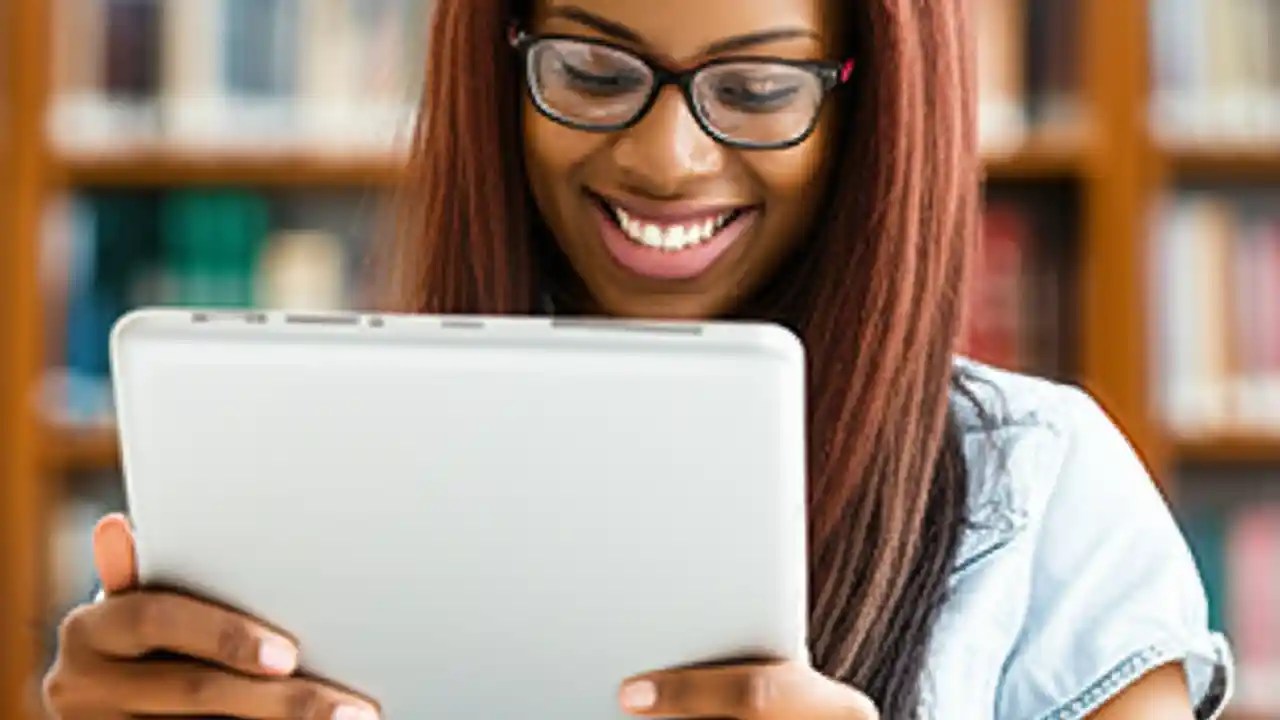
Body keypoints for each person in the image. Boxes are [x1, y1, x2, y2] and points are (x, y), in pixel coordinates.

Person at [42, 1, 1233, 719]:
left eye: (758, 89)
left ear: (874, 108)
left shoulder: (1043, 495)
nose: (665, 159)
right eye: (593, 74)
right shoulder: (322, 468)